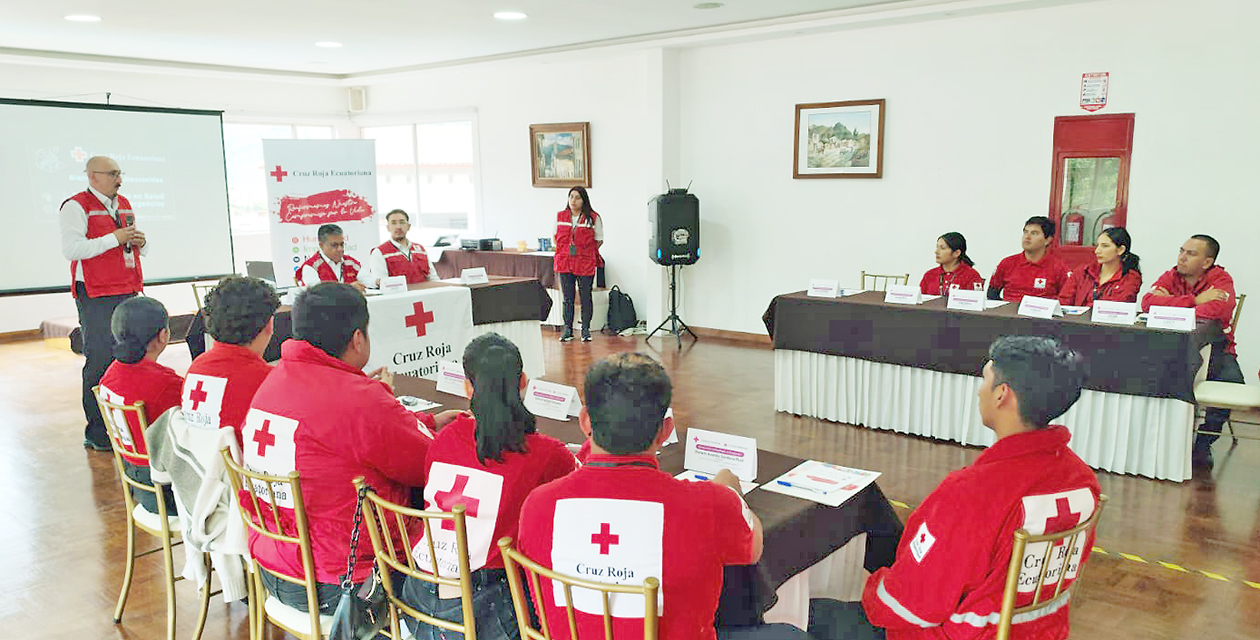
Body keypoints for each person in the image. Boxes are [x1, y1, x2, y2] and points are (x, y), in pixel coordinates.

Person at [517, 353, 809, 640]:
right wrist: (729, 485)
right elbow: (753, 547)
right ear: (665, 431)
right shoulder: (710, 504)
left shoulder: (536, 505)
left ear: (585, 422)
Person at [853, 336, 1100, 640]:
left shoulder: (971, 492)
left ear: (1001, 395)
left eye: (985, 380)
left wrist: (870, 587)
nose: (979, 391)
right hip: (1043, 632)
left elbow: (912, 605)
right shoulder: (1083, 479)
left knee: (813, 615)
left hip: (965, 634)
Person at [241, 282, 460, 613]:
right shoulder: (358, 399)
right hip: (344, 584)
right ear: (358, 338)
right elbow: (427, 465)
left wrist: (421, 421)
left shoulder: (274, 378)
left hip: (272, 565)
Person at [402, 333, 578, 640]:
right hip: (485, 615)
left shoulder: (444, 438)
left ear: (467, 386)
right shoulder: (548, 454)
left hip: (416, 600)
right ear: (523, 381)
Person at [61, 155, 148, 452]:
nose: (119, 179)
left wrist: (141, 242)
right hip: (96, 294)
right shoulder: (75, 205)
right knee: (100, 360)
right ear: (93, 176)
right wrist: (114, 238)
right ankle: (97, 432)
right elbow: (72, 249)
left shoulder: (123, 203)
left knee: (132, 356)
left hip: (127, 288)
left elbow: (129, 244)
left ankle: (129, 426)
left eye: (119, 173)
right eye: (112, 174)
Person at [1141, 234, 1241, 468]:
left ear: (1207, 262)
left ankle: (1204, 442)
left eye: (1191, 253)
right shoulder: (1171, 275)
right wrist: (1194, 300)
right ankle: (1160, 440)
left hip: (1215, 348)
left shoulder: (1221, 279)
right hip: (1170, 347)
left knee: (1231, 382)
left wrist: (1171, 304)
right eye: (1181, 250)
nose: (1182, 257)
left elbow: (1216, 310)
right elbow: (1147, 304)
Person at [98, 296, 182, 515]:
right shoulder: (166, 383)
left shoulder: (110, 374)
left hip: (137, 483)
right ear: (163, 335)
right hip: (168, 493)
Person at [182, 276, 280, 448]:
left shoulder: (196, 366)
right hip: (241, 472)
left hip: (198, 465)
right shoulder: (269, 382)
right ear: (270, 324)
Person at [552, 187, 602, 342]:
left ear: (584, 200)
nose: (573, 201)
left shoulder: (593, 218)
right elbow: (555, 237)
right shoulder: (560, 216)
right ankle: (567, 329)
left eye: (577, 197)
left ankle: (585, 329)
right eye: (571, 197)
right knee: (568, 297)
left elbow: (599, 240)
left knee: (585, 296)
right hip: (565, 261)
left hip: (584, 262)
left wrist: (583, 251)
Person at [987, 216, 1069, 303]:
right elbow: (992, 294)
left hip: (1041, 314)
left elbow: (1066, 300)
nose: (1027, 237)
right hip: (1009, 314)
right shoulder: (1007, 263)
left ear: (1047, 240)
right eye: (1025, 232)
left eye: (1034, 233)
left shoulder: (1059, 268)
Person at [1058, 227, 1142, 307]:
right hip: (1076, 320)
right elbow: (1063, 301)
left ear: (1120, 250)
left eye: (1105, 246)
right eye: (1097, 245)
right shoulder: (1082, 272)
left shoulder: (1131, 277)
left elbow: (1113, 307)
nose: (1097, 251)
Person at [294, 223, 374, 291]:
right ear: (321, 245)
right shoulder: (311, 267)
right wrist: (349, 289)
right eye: (334, 245)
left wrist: (380, 282)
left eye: (342, 244)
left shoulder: (350, 262)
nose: (340, 249)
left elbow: (369, 282)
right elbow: (318, 294)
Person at [369, 208, 438, 286]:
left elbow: (433, 278)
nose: (398, 227)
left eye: (402, 222)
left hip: (425, 295)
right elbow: (383, 284)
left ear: (408, 226)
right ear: (388, 227)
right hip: (398, 296)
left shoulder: (420, 250)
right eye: (393, 223)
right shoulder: (379, 252)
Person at [919, 232, 984, 295]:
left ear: (956, 253)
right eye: (937, 247)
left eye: (942, 248)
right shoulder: (930, 275)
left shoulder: (971, 276)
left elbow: (976, 302)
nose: (936, 252)